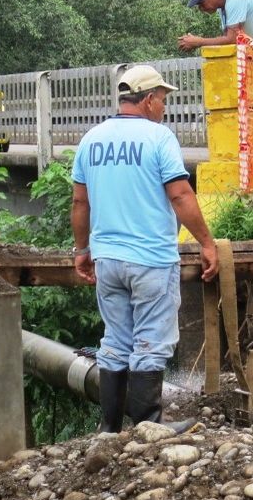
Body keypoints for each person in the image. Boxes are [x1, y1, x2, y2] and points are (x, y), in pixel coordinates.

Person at [71, 65, 220, 432]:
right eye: (163, 99)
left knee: (116, 341)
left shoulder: (91, 139)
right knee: (151, 342)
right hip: (151, 261)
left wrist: (81, 250)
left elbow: (79, 203)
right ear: (149, 99)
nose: (164, 107)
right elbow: (180, 194)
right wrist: (206, 242)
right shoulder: (159, 138)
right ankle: (148, 427)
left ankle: (109, 429)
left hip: (108, 260)